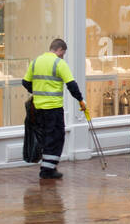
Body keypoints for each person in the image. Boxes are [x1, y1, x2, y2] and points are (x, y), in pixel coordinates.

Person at [22, 38, 86, 180]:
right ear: (60, 50)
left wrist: (37, 91)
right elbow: (72, 85)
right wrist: (80, 100)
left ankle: (48, 167)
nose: (62, 56)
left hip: (38, 108)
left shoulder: (36, 61)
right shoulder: (59, 63)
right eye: (63, 53)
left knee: (45, 138)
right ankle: (47, 170)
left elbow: (25, 82)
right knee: (56, 138)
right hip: (54, 108)